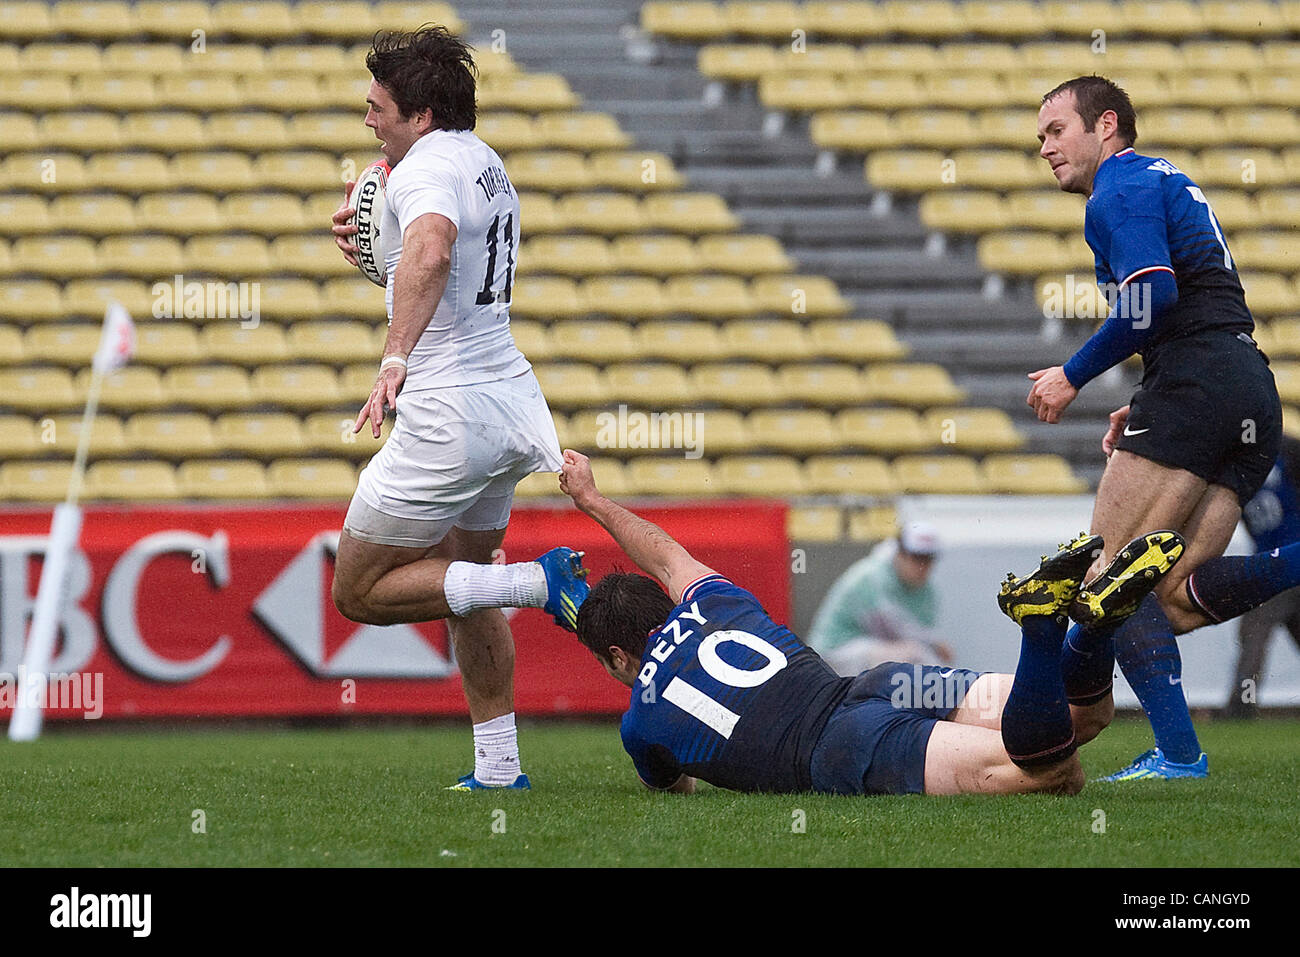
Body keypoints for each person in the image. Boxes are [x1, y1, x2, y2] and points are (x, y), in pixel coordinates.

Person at [556, 449, 1185, 797]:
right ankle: (1091, 631)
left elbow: (675, 788)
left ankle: (1045, 632)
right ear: (664, 606)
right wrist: (589, 499)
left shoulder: (641, 724)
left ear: (617, 657)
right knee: (1083, 718)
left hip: (839, 747)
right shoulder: (707, 601)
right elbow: (663, 552)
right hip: (876, 684)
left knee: (1053, 772)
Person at [326, 26, 589, 790]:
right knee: (461, 582)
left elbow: (433, 251)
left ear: (421, 112)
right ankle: (500, 768)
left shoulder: (428, 168)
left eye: (378, 107)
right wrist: (381, 251)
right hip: (506, 398)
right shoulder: (482, 161)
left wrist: (393, 356)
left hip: (448, 412)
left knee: (359, 590)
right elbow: (431, 252)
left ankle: (537, 584)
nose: (368, 120)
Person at [1025, 75, 1300, 781]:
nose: (1046, 147)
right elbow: (1184, 304)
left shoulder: (1118, 187)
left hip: (1198, 383)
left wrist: (1073, 374)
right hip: (1245, 387)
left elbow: (1152, 293)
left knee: (1108, 577)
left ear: (1106, 124)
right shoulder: (1153, 180)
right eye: (1041, 138)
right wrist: (1154, 387)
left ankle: (1178, 754)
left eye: (1057, 130)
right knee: (1169, 595)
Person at [807, 522, 954, 676]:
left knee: (915, 658)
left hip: (869, 650)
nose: (922, 566)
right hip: (833, 654)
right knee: (912, 656)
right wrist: (934, 646)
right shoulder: (872, 576)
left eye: (928, 559)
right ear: (900, 554)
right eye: (916, 558)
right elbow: (892, 629)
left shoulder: (927, 591)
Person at [1225, 436, 1300, 717]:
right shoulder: (1285, 450)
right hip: (1286, 557)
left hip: (1273, 565)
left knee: (1253, 638)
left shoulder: (1236, 462)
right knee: (1254, 637)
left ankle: (1241, 706)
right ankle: (1241, 703)